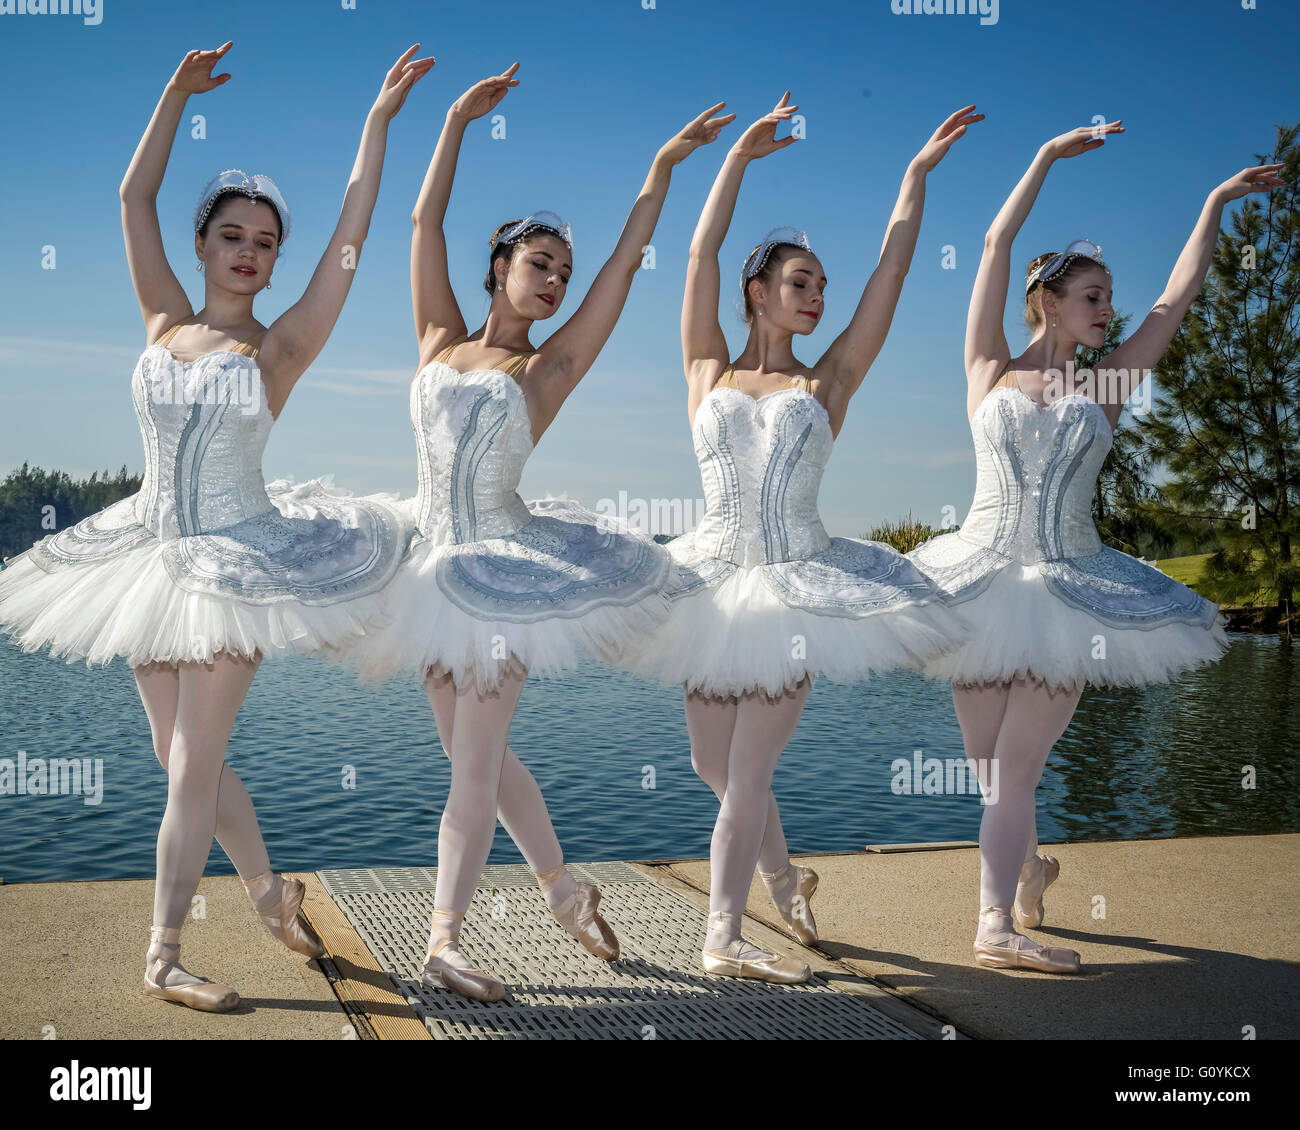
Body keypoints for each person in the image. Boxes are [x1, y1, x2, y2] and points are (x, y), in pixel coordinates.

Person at [0, 42, 433, 1011]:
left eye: (266, 240)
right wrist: (171, 95)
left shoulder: (280, 344)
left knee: (193, 759)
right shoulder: (162, 319)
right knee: (176, 759)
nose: (248, 248)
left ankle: (162, 953)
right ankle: (274, 891)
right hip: (145, 557)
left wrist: (377, 123)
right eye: (231, 232)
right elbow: (131, 199)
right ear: (202, 244)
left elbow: (350, 245)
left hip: (238, 561)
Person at [349, 63, 733, 1003]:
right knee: (469, 757)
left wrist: (661, 171)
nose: (557, 281)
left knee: (473, 764)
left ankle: (444, 939)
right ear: (501, 268)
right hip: (425, 568)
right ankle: (564, 887)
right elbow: (422, 223)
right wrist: (442, 122)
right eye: (540, 265)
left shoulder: (547, 368)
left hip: (505, 576)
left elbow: (623, 268)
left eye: (562, 271)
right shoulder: (440, 337)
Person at [907, 120, 1282, 972]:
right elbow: (998, 240)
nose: (1109, 308)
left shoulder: (1106, 385)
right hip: (974, 583)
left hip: (1070, 592)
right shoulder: (988, 368)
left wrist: (1215, 199)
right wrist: (1043, 157)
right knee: (989, 771)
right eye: (1093, 295)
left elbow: (1176, 299)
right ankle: (1030, 871)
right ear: (1047, 300)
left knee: (1013, 774)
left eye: (1110, 296)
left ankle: (995, 925)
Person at [630, 96, 980, 982]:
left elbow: (891, 279)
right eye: (800, 282)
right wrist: (735, 160)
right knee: (715, 765)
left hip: (797, 588)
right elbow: (701, 254)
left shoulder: (828, 383)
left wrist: (915, 177)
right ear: (757, 291)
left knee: (749, 771)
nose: (818, 296)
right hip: (707, 584)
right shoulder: (706, 364)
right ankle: (786, 878)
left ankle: (723, 935)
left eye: (822, 285)